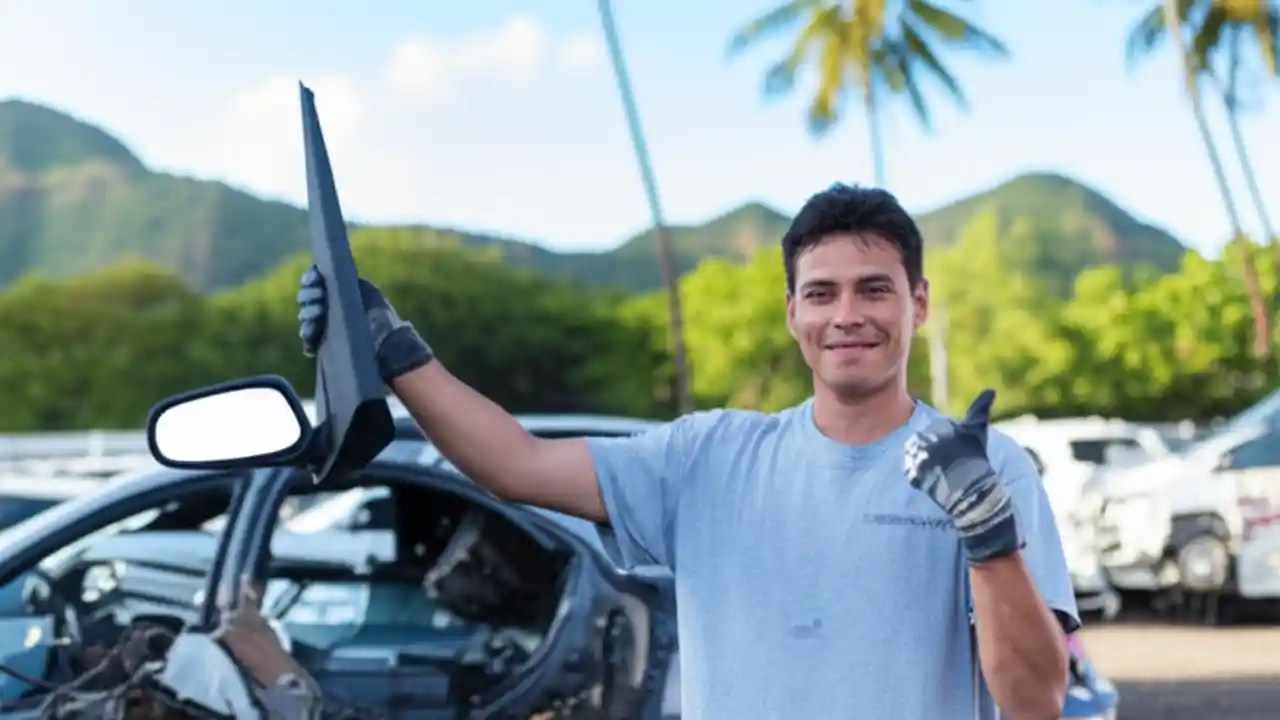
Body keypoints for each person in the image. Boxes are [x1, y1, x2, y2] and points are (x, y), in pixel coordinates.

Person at [295, 183, 1078, 719]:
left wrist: (988, 538)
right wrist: (393, 351)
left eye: (874, 289)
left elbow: (1035, 702)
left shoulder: (986, 469)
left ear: (919, 303)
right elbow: (517, 464)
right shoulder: (710, 457)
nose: (848, 315)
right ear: (791, 311)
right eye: (821, 292)